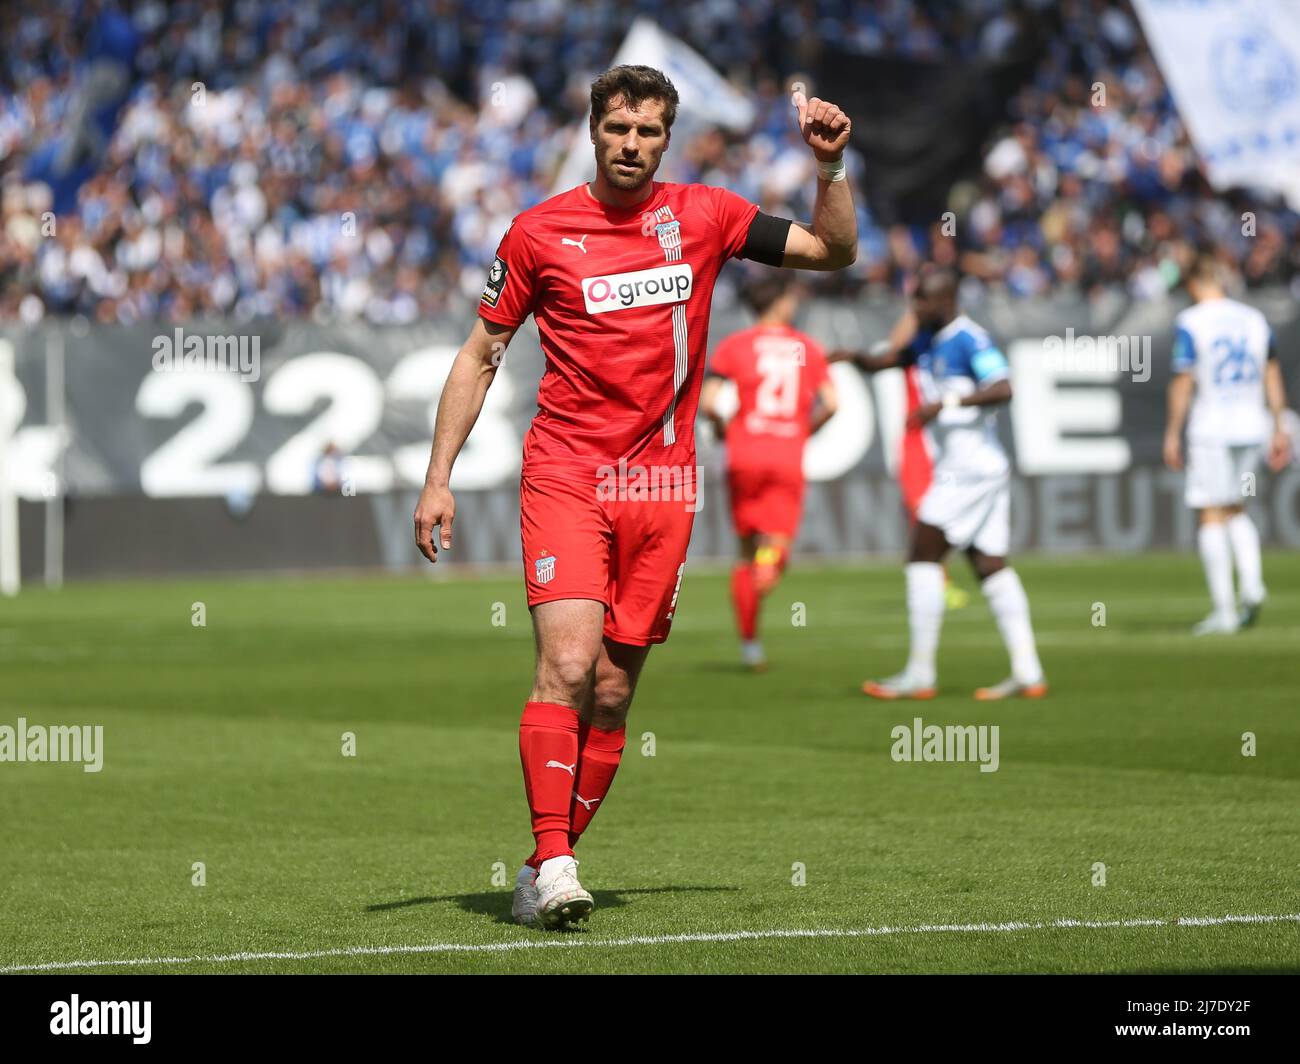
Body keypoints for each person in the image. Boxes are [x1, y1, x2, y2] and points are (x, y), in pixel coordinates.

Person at [413, 65, 857, 929]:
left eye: (649, 132)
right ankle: (558, 862)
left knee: (613, 695)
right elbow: (479, 354)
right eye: (619, 129)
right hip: (568, 476)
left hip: (663, 485)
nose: (632, 145)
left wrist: (831, 170)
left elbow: (834, 251)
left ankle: (543, 862)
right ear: (593, 130)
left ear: (666, 138)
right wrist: (439, 479)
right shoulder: (540, 234)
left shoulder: (707, 216)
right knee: (568, 668)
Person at [832, 264, 1046, 701]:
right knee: (989, 564)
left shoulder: (970, 338)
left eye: (922, 299)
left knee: (922, 555)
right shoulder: (928, 341)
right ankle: (1028, 671)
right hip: (977, 469)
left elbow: (1003, 388)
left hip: (967, 471)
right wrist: (852, 356)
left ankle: (920, 673)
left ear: (945, 299)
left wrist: (944, 403)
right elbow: (888, 361)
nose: (915, 307)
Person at [701, 276, 838, 670]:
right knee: (776, 547)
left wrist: (728, 430)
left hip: (744, 454)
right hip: (785, 455)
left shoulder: (735, 347)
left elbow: (710, 404)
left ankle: (749, 646)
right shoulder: (806, 348)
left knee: (744, 550)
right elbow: (832, 403)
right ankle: (769, 566)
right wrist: (801, 433)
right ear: (779, 302)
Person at [1163, 256, 1291, 634]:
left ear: (1193, 285)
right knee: (1236, 508)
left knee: (1209, 513)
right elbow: (1272, 373)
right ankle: (1251, 585)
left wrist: (1172, 432)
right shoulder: (1254, 319)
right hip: (1253, 426)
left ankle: (1224, 611)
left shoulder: (1191, 322)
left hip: (1212, 429)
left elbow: (1183, 381)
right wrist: (1280, 425)